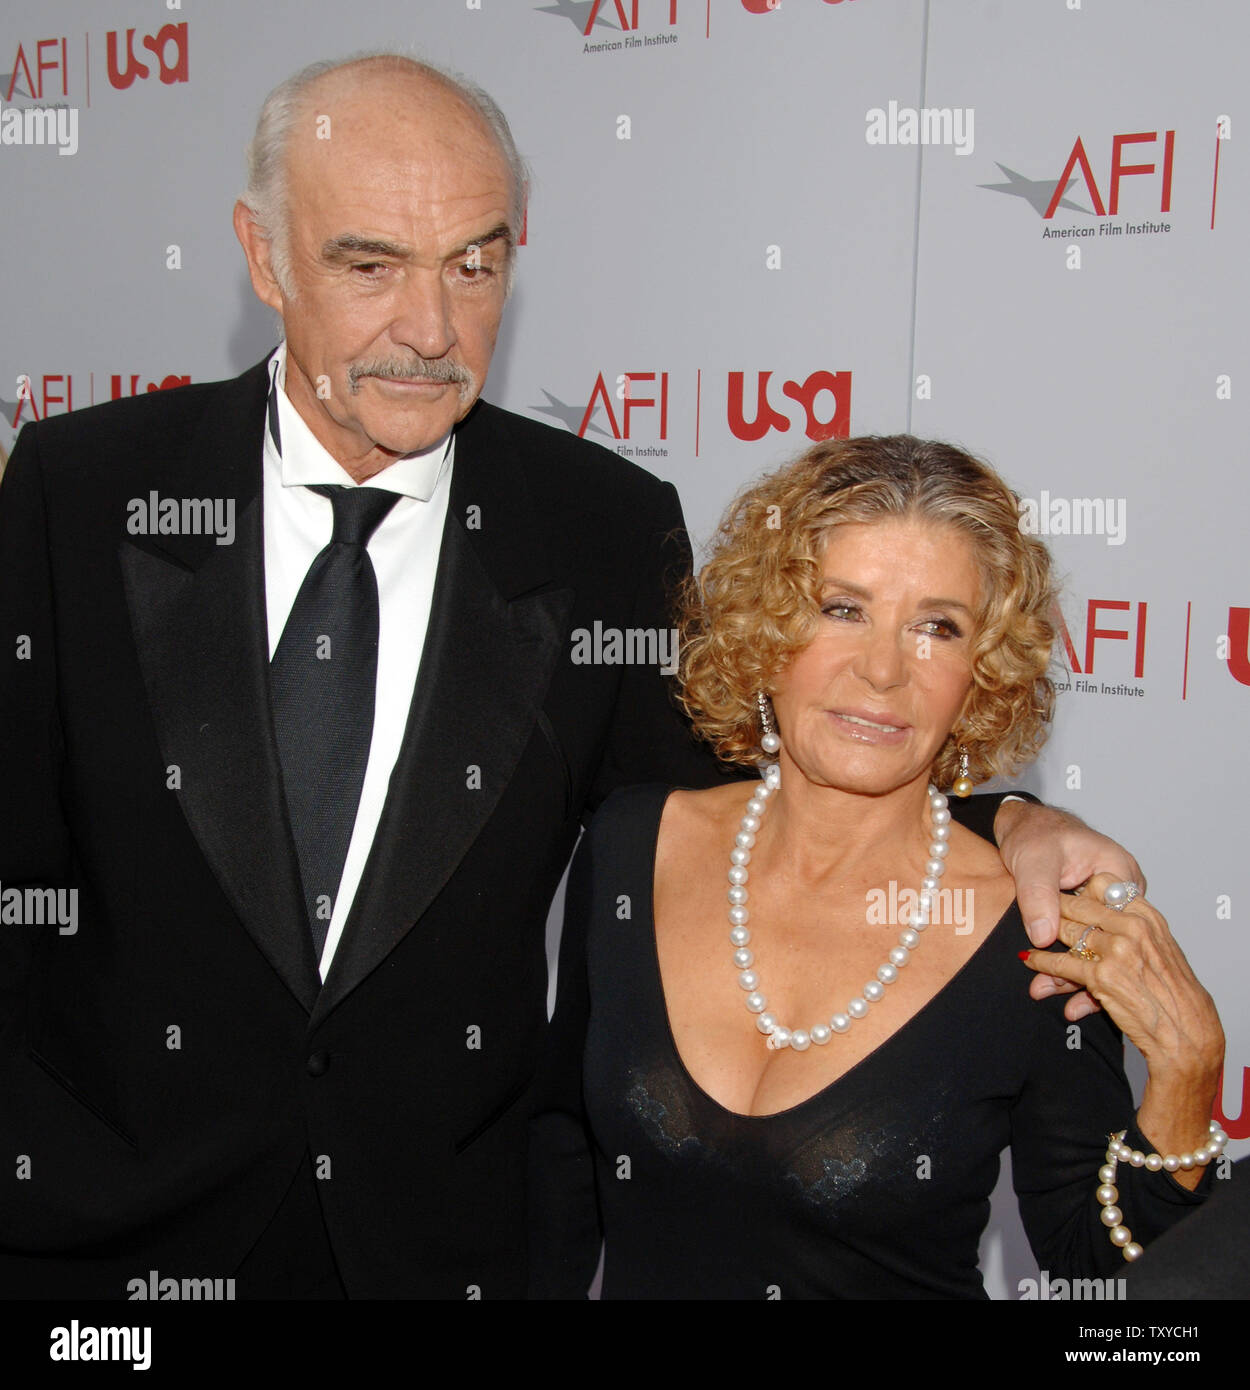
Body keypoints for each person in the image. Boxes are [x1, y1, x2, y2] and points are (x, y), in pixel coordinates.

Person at [0, 54, 1139, 1300]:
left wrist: (1007, 819)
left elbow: (763, 801)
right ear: (264, 257)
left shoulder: (602, 530)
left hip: (438, 1261)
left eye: (474, 265)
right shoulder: (79, 491)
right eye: (369, 265)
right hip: (112, 1267)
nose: (430, 330)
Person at [529, 435, 1225, 1299]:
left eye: (938, 627)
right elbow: (558, 1165)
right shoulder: (635, 843)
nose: (884, 670)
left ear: (983, 674)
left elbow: (1105, 1286)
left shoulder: (1038, 930)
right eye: (842, 608)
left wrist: (1189, 1074)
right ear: (763, 629)